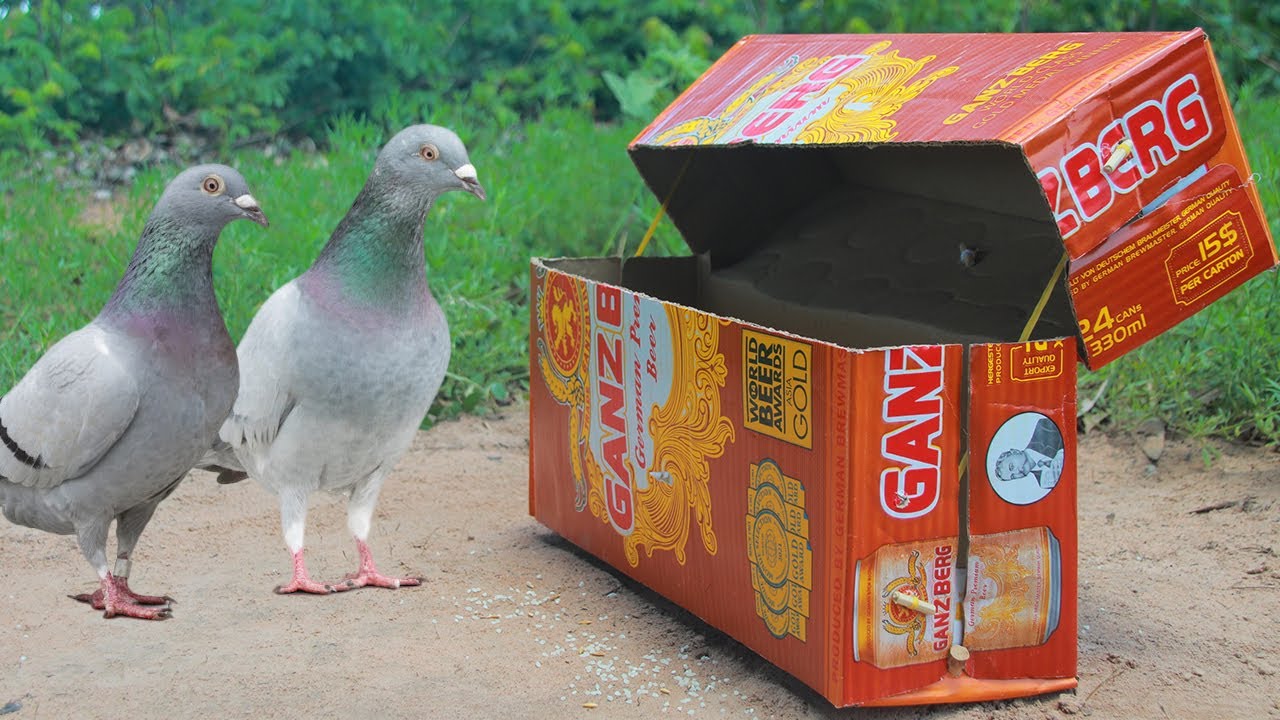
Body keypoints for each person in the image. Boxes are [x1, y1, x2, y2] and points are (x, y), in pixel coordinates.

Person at [993, 416, 1064, 489]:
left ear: (1015, 451)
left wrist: (1061, 453)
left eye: (1012, 467)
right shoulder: (1044, 483)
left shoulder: (1044, 427)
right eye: (1013, 476)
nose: (1017, 472)